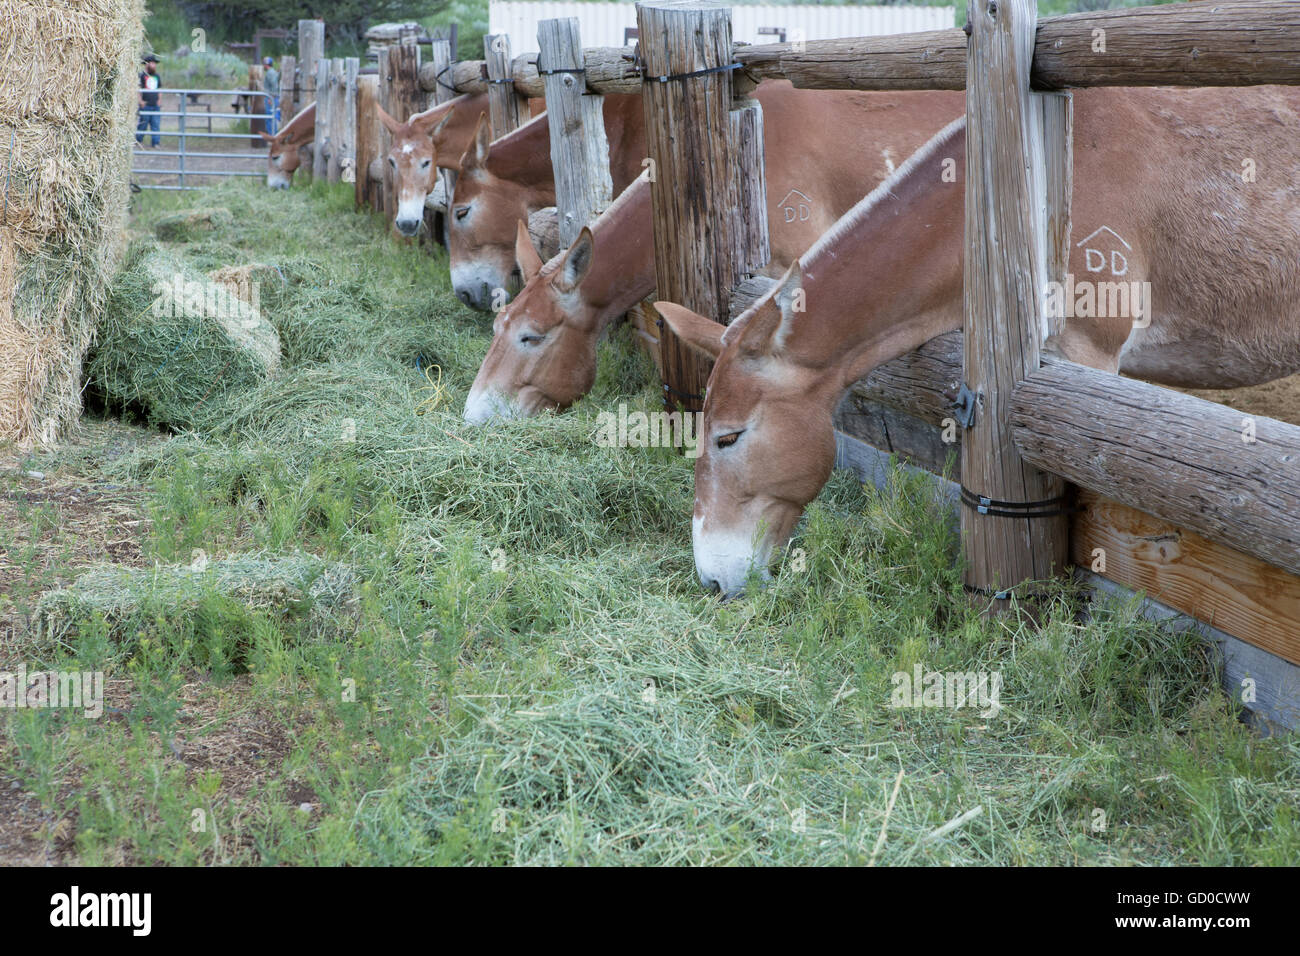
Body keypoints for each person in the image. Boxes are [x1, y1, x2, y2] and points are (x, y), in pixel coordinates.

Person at [136, 53, 161, 148]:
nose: (154, 65)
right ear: (147, 64)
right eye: (152, 63)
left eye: (155, 63)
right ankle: (138, 140)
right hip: (145, 104)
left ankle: (156, 142)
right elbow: (138, 89)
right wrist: (140, 100)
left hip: (155, 104)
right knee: (143, 123)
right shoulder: (142, 76)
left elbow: (159, 89)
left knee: (156, 124)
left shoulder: (157, 76)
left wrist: (159, 100)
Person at [263, 56, 281, 135]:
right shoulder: (272, 72)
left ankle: (272, 136)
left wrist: (271, 98)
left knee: (270, 118)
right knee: (271, 117)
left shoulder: (270, 73)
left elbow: (274, 85)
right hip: (271, 97)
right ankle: (273, 134)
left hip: (270, 98)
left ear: (266, 64)